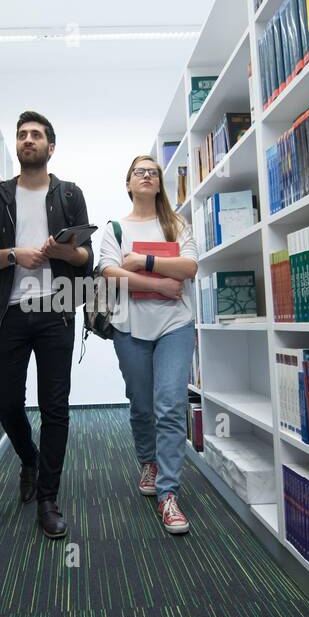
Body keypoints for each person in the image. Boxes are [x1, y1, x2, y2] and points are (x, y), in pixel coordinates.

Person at [0, 111, 94, 539]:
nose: (28, 140)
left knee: (54, 407)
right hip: (10, 311)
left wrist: (64, 253)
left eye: (36, 135)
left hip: (57, 309)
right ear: (18, 146)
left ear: (50, 147)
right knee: (7, 403)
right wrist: (15, 255)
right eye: (22, 135)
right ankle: (29, 457)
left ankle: (48, 497)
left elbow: (87, 258)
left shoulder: (69, 194)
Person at [96, 155, 199, 534]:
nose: (146, 176)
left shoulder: (177, 224)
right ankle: (148, 461)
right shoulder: (115, 228)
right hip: (129, 327)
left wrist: (142, 261)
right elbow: (109, 271)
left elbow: (189, 268)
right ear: (128, 183)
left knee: (170, 405)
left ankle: (168, 494)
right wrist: (158, 283)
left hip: (176, 325)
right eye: (139, 171)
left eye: (153, 173)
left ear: (159, 183)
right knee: (142, 404)